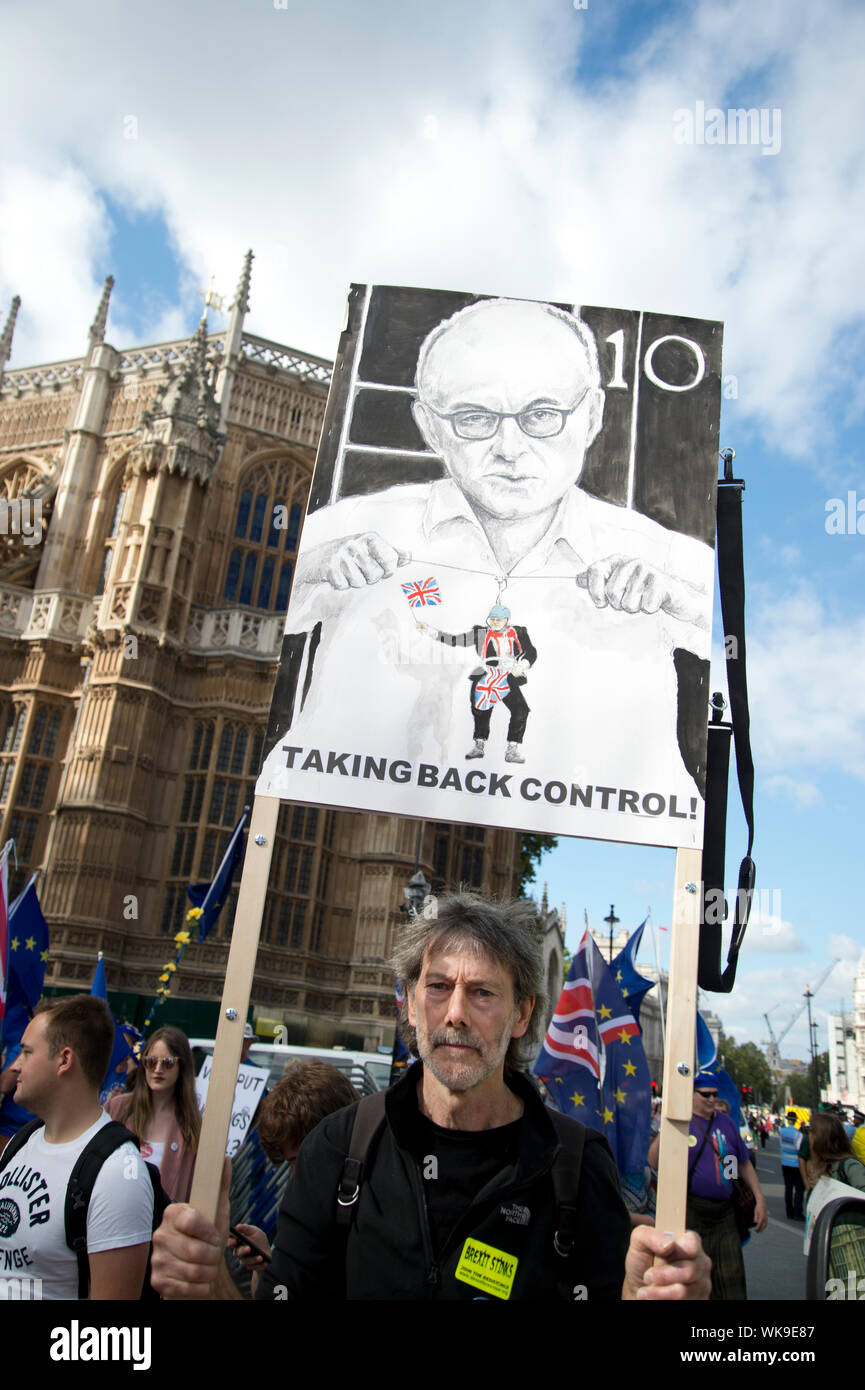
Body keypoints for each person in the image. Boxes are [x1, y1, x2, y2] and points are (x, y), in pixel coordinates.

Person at [257, 299, 714, 842]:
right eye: (475, 419)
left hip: (589, 847)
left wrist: (676, 599)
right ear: (429, 425)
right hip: (321, 826)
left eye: (541, 415)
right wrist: (314, 567)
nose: (509, 449)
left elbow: (742, 669)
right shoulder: (352, 526)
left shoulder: (661, 556)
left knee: (508, 709)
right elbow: (260, 617)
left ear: (592, 415)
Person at [152, 894, 711, 1301]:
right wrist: (209, 1286)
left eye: (483, 992)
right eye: (439, 986)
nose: (456, 1012)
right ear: (410, 1003)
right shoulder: (339, 1149)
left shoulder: (577, 1165)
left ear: (522, 1015)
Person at [0, 995, 153, 1299]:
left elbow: (109, 1340)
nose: (16, 1065)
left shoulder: (117, 1174)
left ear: (64, 1060)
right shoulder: (19, 1144)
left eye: (27, 1052)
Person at [226, 1059, 359, 1294]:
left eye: (301, 1161)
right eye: (290, 1163)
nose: (296, 1175)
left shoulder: (376, 1208)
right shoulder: (301, 1207)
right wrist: (267, 1263)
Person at [649, 1070, 768, 1301]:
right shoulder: (681, 1122)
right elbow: (652, 1161)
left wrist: (759, 1198)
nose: (712, 1099)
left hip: (725, 1214)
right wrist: (666, 1125)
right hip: (692, 1211)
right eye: (705, 1095)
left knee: (731, 1282)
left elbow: (741, 1165)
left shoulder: (726, 1123)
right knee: (693, 1279)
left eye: (714, 1094)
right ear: (691, 1095)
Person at [417, 602, 536, 761]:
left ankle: (512, 749)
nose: (495, 622)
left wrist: (522, 666)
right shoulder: (480, 633)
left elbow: (531, 651)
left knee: (521, 709)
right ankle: (479, 745)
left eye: (499, 620)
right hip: (486, 673)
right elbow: (454, 640)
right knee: (480, 709)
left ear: (507, 620)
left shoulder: (518, 633)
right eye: (492, 619)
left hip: (508, 675)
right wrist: (429, 631)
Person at [107, 1024, 200, 1203]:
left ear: (182, 1067)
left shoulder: (192, 1125)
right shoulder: (117, 1108)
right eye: (150, 1061)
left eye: (167, 1063)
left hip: (161, 1226)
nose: (157, 1069)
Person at [803, 1112, 865, 1194]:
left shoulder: (849, 1166)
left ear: (821, 1137)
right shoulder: (816, 1163)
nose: (809, 1136)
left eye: (811, 1131)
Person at [779, 1110, 806, 1220]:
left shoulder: (782, 1131)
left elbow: (781, 1145)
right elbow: (798, 1149)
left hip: (785, 1163)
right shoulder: (798, 1134)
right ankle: (797, 1212)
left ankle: (789, 1212)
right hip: (796, 1164)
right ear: (795, 1122)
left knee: (788, 1188)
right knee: (799, 1189)